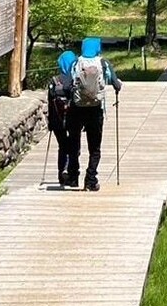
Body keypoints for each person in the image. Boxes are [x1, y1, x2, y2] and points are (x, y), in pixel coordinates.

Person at [66, 36, 123, 191]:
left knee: (74, 144)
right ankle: (90, 180)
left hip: (76, 108)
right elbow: (116, 84)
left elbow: (68, 84)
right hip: (95, 109)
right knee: (95, 147)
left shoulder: (76, 63)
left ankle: (72, 177)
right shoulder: (103, 63)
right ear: (98, 48)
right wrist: (117, 87)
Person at [47, 50, 77, 188]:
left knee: (62, 146)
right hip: (73, 118)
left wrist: (50, 123)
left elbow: (50, 103)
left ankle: (61, 173)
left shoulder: (54, 80)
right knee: (74, 146)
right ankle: (72, 174)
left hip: (57, 120)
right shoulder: (76, 79)